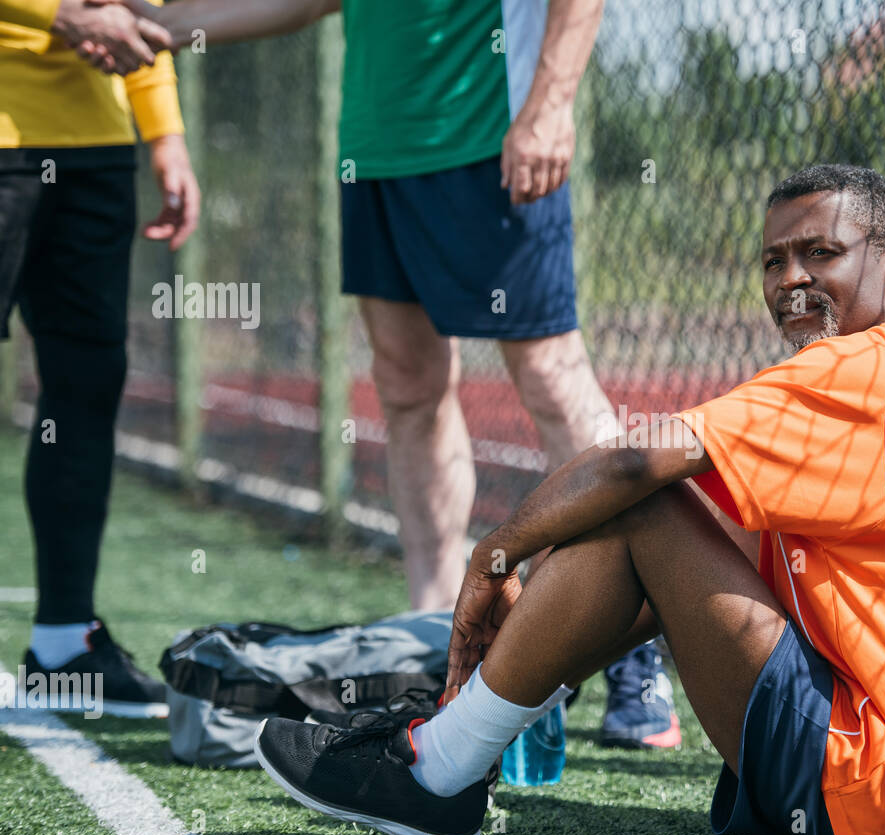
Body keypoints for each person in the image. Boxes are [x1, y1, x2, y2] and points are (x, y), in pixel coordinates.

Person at [251, 164, 885, 835]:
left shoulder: (862, 368)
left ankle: (438, 769)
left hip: (871, 776)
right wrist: (538, 645)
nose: (792, 277)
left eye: (820, 253)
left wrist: (494, 556)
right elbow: (688, 559)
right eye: (773, 259)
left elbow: (633, 464)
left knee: (641, 504)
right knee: (656, 521)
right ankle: (454, 745)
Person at [117, 0, 682, 749]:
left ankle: (636, 661)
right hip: (378, 148)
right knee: (409, 386)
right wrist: (162, 20)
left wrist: (549, 105)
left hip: (492, 132)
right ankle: (436, 643)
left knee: (550, 375)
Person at [0, 0, 200, 715]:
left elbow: (145, 11)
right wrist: (57, 15)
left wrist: (164, 133)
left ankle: (63, 642)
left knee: (86, 381)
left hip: (95, 149)